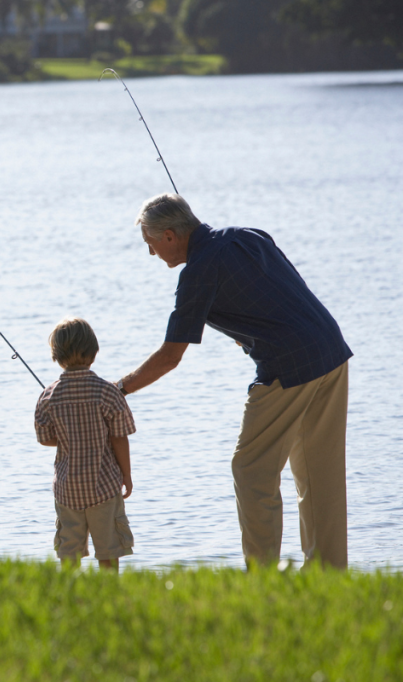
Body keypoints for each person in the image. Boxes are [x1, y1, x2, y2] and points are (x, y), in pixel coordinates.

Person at [117, 193, 352, 569]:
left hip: (289, 368)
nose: (151, 252)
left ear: (170, 236)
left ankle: (261, 576)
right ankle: (329, 574)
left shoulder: (197, 273)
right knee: (319, 472)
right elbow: (279, 291)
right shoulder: (246, 235)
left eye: (150, 243)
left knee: (251, 470)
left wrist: (120, 389)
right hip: (330, 350)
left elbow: (170, 356)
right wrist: (248, 331)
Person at [35, 317, 136, 570]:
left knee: (69, 552)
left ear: (57, 356)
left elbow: (45, 438)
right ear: (94, 351)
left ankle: (70, 592)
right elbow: (119, 437)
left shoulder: (48, 396)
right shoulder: (108, 392)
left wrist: (69, 436)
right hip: (104, 486)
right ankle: (108, 591)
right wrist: (127, 475)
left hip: (67, 489)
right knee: (108, 551)